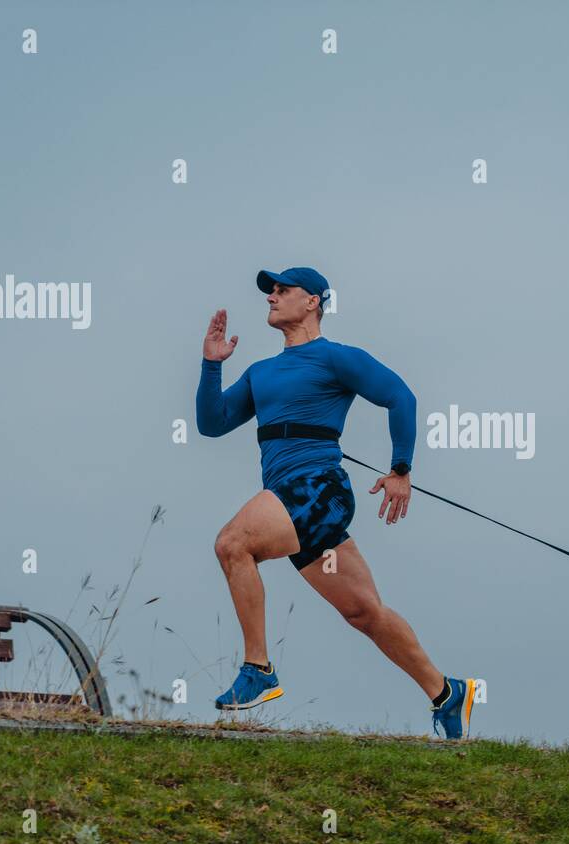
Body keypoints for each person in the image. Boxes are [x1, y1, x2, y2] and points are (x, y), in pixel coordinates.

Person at [196, 266, 476, 738]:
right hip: (296, 503)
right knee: (364, 613)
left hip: (317, 488)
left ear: (313, 302)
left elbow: (400, 397)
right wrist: (211, 364)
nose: (272, 297)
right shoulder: (260, 372)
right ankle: (446, 693)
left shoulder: (335, 358)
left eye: (284, 290)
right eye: (271, 292)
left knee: (232, 544)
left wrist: (401, 469)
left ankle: (258, 670)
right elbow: (213, 423)